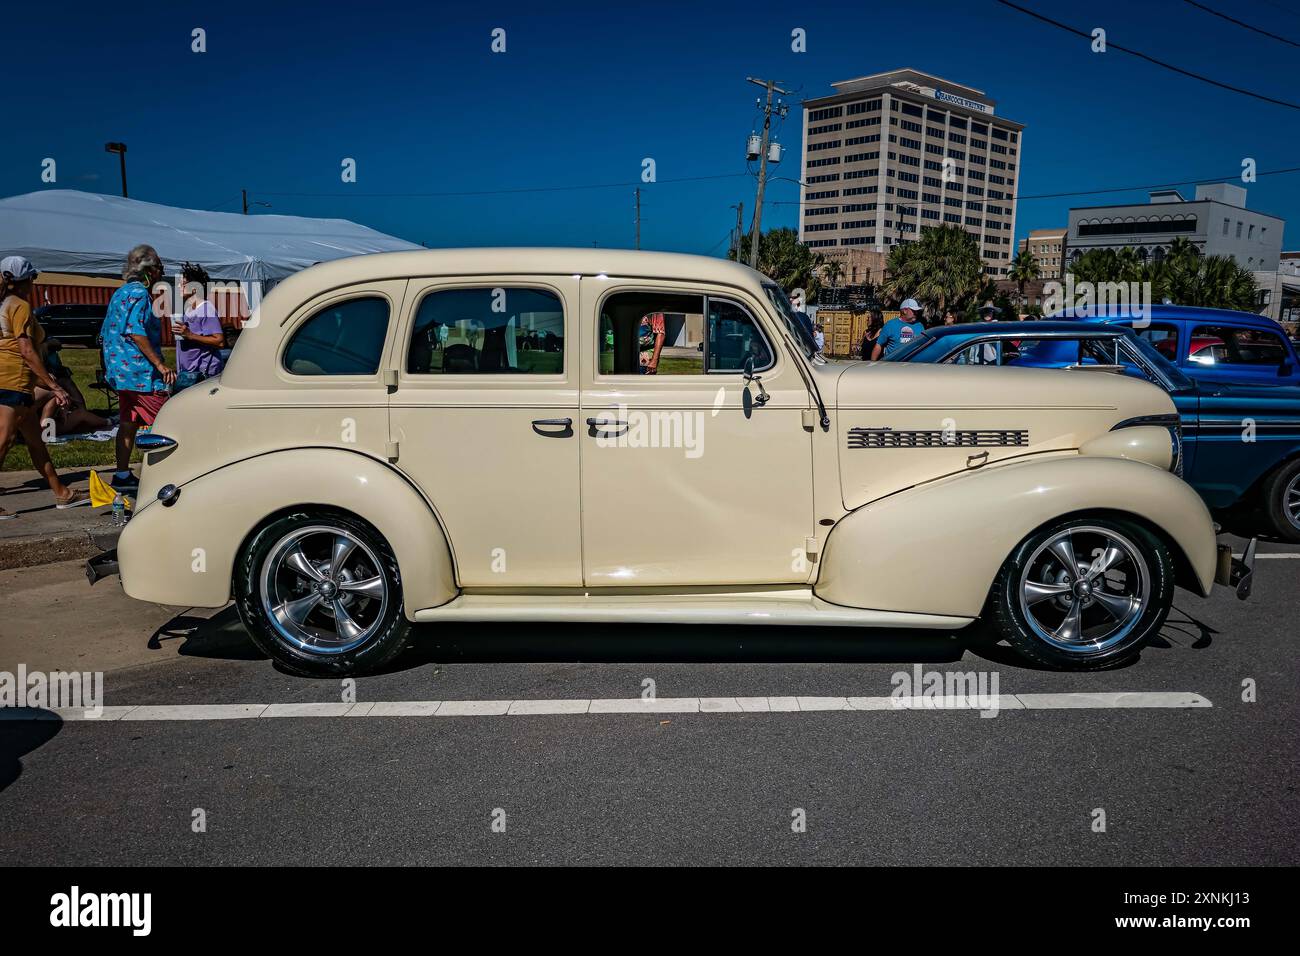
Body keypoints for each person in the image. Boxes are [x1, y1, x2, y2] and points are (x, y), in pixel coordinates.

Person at [0, 256, 89, 517]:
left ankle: (63, 492)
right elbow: (26, 350)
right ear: (25, 280)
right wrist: (55, 386)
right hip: (13, 381)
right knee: (4, 440)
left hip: (14, 380)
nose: (34, 283)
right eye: (33, 278)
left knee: (36, 443)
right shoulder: (20, 306)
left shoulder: (3, 304)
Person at [101, 245, 174, 492]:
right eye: (160, 267)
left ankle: (122, 475)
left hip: (121, 374)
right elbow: (135, 331)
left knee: (128, 423)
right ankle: (165, 478)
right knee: (168, 424)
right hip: (140, 373)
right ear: (149, 269)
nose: (162, 272)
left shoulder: (120, 293)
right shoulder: (141, 295)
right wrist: (159, 364)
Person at [34, 338, 110, 435]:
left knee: (60, 392)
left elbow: (57, 343)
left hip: (47, 417)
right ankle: (109, 421)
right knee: (59, 395)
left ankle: (44, 427)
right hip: (53, 421)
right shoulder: (31, 353)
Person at [172, 262, 226, 390]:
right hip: (189, 373)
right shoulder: (188, 310)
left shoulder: (207, 309)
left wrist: (190, 335)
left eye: (183, 284)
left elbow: (219, 342)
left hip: (203, 373)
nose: (179, 286)